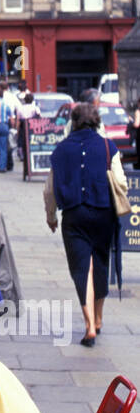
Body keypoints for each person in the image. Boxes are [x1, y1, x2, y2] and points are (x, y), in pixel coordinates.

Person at [43, 101, 127, 346]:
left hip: (74, 215)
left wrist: (51, 217)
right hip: (103, 213)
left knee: (81, 268)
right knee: (100, 263)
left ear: (74, 121)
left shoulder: (60, 150)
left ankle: (89, 324)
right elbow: (121, 182)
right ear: (97, 121)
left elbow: (49, 190)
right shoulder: (107, 146)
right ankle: (99, 318)